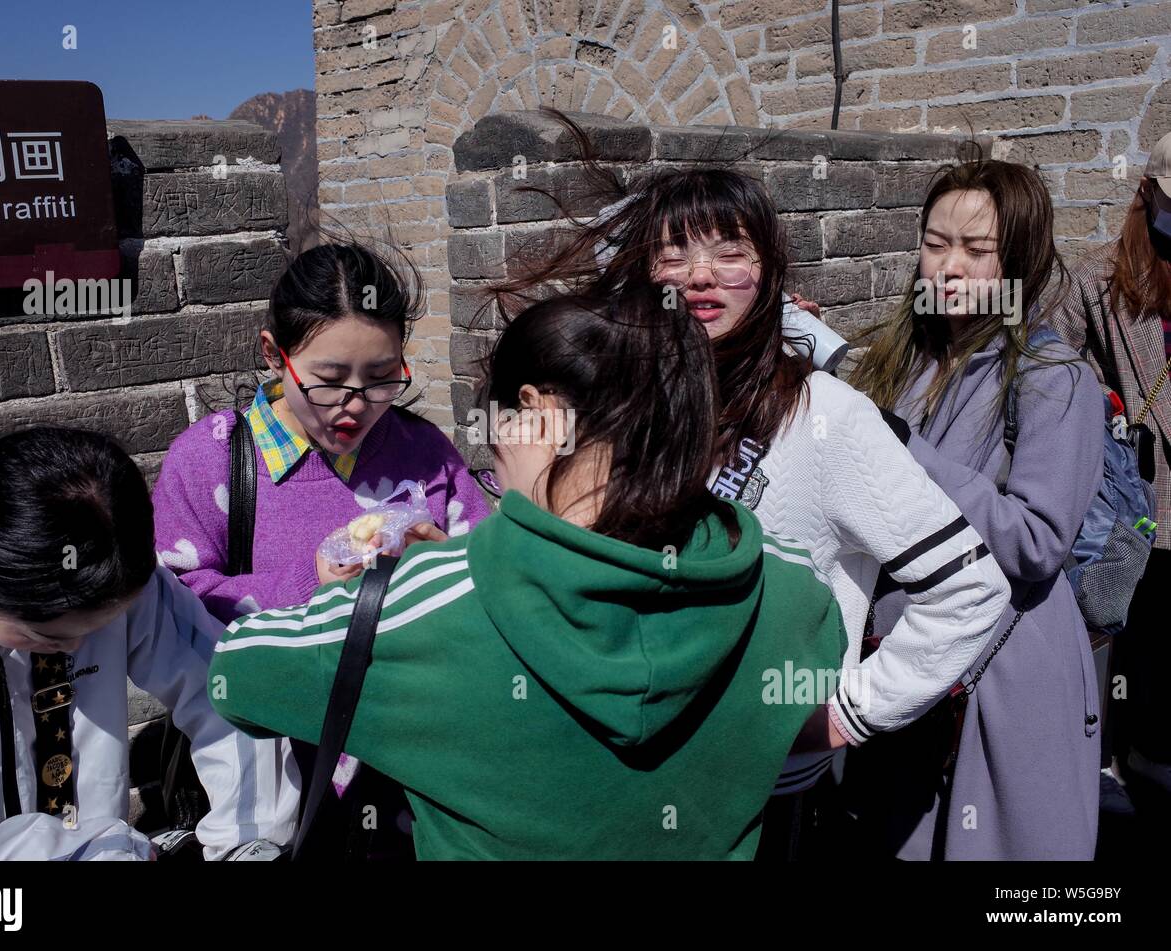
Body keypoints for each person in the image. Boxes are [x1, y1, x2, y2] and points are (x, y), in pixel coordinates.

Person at [485, 112, 1012, 857]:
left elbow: (971, 589)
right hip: (630, 773)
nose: (700, 275)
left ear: (769, 272)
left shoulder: (827, 415)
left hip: (769, 794)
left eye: (730, 252)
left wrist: (842, 715)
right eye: (673, 255)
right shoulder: (631, 406)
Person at [208, 288, 848, 859]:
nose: (496, 459)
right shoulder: (793, 592)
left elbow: (237, 676)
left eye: (497, 433)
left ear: (538, 413)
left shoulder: (429, 605)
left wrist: (362, 596)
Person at [0, 427, 298, 860]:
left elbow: (220, 692)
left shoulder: (104, 562)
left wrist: (249, 839)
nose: (78, 649)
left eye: (98, 628)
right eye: (47, 637)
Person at [847, 158, 1104, 859]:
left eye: (976, 249)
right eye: (935, 243)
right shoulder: (905, 365)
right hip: (906, 679)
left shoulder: (1056, 380)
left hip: (1001, 683)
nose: (948, 266)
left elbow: (1037, 541)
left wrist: (910, 455)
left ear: (1017, 259)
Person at [152, 240, 492, 624]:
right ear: (274, 354)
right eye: (330, 380)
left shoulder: (425, 453)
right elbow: (176, 603)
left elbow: (488, 578)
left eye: (382, 377)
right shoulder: (208, 461)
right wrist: (310, 584)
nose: (357, 405)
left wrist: (448, 569)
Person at [1052, 131, 1171, 838]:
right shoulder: (1100, 279)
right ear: (1150, 192)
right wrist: (1103, 398)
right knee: (1142, 665)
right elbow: (1047, 367)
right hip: (1144, 515)